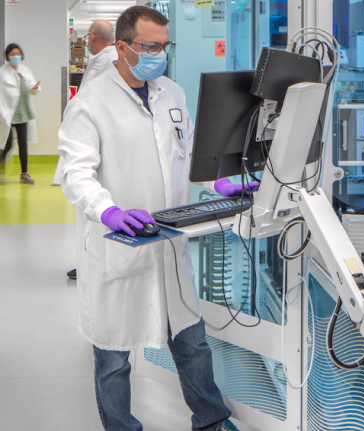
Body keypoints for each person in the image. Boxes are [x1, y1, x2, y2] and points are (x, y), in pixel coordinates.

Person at [57, 7, 236, 431]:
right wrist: (110, 211)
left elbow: (190, 152)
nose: (159, 54)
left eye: (164, 46)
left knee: (192, 341)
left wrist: (219, 181)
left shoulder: (171, 92)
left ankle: (211, 421)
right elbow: (76, 174)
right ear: (122, 47)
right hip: (118, 247)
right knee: (113, 357)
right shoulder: (90, 103)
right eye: (150, 47)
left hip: (169, 244)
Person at [56, 19, 119, 280]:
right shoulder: (111, 58)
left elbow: (85, 102)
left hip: (96, 144)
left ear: (92, 37)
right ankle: (88, 263)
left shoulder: (104, 60)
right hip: (99, 143)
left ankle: (89, 265)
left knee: (92, 210)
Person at [0, 43, 40, 185]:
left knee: (23, 143)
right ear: (7, 56)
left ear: (21, 55)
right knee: (8, 143)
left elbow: (33, 88)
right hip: (7, 114)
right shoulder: (2, 72)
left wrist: (35, 88)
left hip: (23, 112)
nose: (15, 56)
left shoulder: (25, 70)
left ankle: (24, 174)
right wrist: (2, 113)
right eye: (12, 54)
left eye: (17, 53)